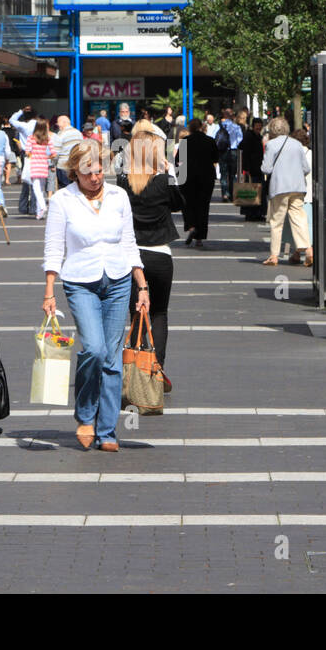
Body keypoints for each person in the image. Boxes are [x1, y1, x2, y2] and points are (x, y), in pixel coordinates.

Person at [43, 139, 150, 452]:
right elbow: (53, 248)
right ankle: (85, 414)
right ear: (74, 171)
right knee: (93, 349)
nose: (95, 177)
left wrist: (141, 285)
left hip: (118, 281)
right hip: (80, 281)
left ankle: (107, 431)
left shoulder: (119, 196)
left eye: (100, 170)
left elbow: (129, 243)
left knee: (113, 359)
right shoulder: (63, 200)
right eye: (88, 172)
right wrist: (49, 290)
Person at [118, 131, 183, 393]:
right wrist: (171, 172)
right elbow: (179, 204)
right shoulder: (163, 181)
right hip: (160, 254)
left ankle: (135, 367)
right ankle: (157, 366)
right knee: (159, 313)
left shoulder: (124, 183)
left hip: (132, 256)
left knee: (136, 313)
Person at [261, 117, 312, 266]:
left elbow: (266, 168)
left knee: (277, 221)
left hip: (280, 187)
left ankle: (274, 255)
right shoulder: (297, 144)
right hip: (297, 187)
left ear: (272, 129)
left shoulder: (271, 145)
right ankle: (308, 250)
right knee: (299, 218)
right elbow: (306, 168)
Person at [176, 118, 218, 247]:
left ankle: (191, 226)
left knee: (188, 204)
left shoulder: (185, 142)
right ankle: (199, 238)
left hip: (189, 176)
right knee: (203, 206)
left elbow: (178, 160)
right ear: (201, 127)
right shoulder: (210, 141)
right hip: (206, 177)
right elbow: (215, 158)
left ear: (190, 128)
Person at [9, 106, 39, 215]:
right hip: (38, 153)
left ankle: (23, 207)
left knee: (26, 180)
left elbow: (11, 120)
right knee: (36, 182)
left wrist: (20, 111)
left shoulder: (24, 126)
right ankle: (34, 207)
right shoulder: (40, 125)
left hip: (25, 154)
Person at [23, 120, 55, 220]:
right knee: (41, 189)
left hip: (34, 165)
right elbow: (54, 153)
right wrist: (46, 157)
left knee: (36, 189)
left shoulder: (31, 138)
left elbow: (27, 152)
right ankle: (39, 212)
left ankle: (42, 207)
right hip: (44, 166)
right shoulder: (48, 139)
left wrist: (34, 155)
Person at [239, 116, 267, 221]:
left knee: (256, 190)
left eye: (260, 127)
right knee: (252, 190)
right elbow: (245, 152)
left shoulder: (256, 136)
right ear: (253, 126)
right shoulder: (249, 137)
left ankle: (255, 213)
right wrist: (246, 169)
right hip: (252, 168)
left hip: (257, 168)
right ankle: (252, 213)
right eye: (257, 126)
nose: (258, 128)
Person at [217, 108, 243, 201]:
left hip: (223, 151)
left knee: (223, 174)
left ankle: (225, 194)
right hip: (233, 151)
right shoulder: (236, 127)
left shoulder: (219, 126)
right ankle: (232, 194)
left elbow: (214, 138)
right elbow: (240, 140)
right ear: (232, 116)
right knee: (232, 174)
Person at [52, 116, 84, 190]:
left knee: (64, 189)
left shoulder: (61, 134)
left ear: (64, 122)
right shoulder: (78, 133)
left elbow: (56, 152)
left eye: (58, 122)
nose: (57, 124)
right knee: (76, 188)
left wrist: (53, 164)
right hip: (75, 165)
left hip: (63, 166)